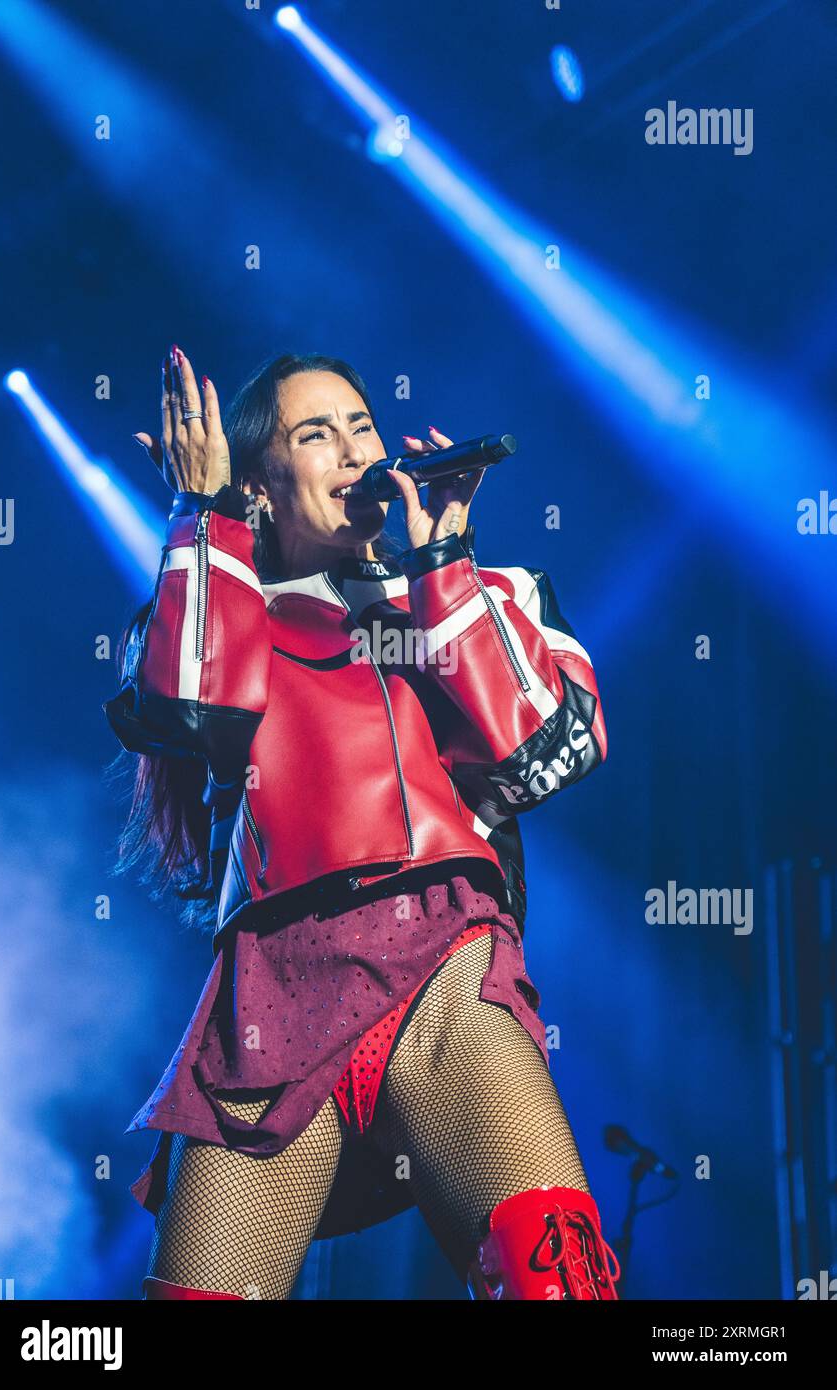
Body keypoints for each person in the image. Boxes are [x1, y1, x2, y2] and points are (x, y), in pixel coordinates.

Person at [103, 345, 620, 1301]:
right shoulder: (218, 605)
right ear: (258, 486)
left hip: (448, 960)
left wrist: (443, 566)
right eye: (314, 434)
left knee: (553, 1274)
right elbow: (188, 706)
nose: (351, 450)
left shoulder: (489, 590)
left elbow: (544, 754)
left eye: (362, 426)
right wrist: (202, 518)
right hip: (269, 993)